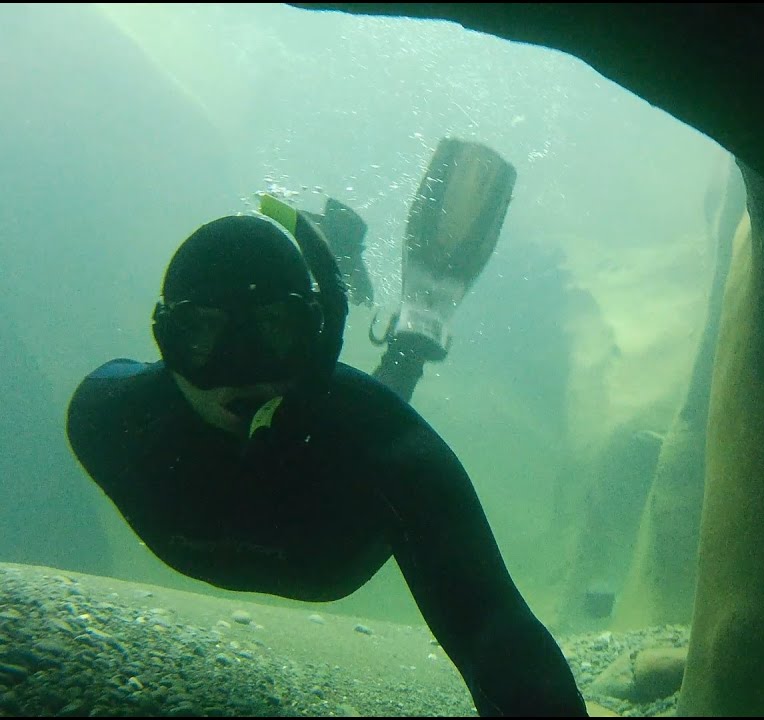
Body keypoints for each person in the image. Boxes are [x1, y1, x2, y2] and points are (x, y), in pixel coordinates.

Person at [64, 140, 589, 717]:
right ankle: (343, 271)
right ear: (166, 341)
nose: (243, 369)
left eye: (277, 329)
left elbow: (494, 627)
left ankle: (417, 326)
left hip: (346, 438)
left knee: (372, 408)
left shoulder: (391, 450)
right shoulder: (110, 415)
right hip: (334, 519)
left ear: (315, 335)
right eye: (203, 334)